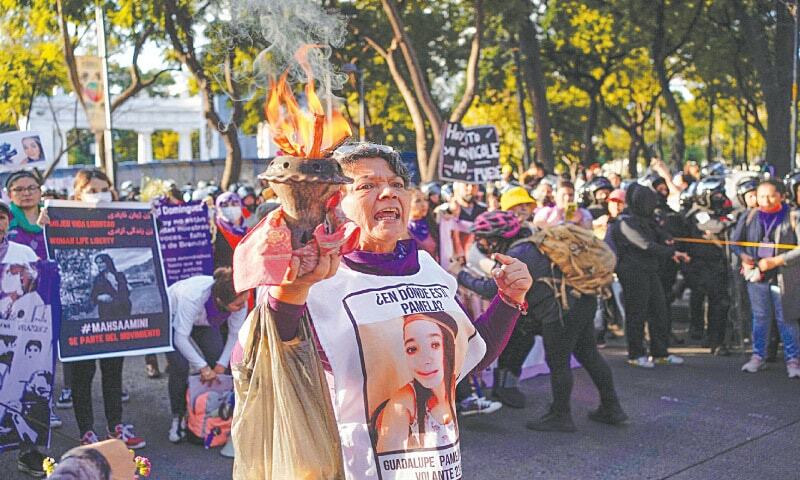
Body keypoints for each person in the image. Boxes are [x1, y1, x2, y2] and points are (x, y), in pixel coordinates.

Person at [232, 143, 531, 479]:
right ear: (334, 204)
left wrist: (508, 299)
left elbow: (470, 355)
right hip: (351, 469)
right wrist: (293, 289)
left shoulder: (427, 269)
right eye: (367, 185)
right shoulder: (313, 277)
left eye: (397, 184)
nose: (389, 192)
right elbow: (261, 357)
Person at [457, 210, 627, 430]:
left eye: (483, 238)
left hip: (561, 309)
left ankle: (561, 415)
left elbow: (492, 290)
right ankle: (612, 407)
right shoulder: (535, 239)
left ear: (498, 237)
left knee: (558, 361)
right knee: (589, 354)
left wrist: (461, 275)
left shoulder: (520, 253)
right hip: (583, 300)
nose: (481, 244)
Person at [56, 169, 145, 448]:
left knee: (113, 374)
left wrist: (150, 222)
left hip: (116, 322)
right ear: (78, 194)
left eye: (104, 189)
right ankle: (86, 431)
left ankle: (116, 426)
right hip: (89, 327)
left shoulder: (119, 269)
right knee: (82, 376)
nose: (99, 195)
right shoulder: (61, 224)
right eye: (92, 191)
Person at [166, 268, 248, 443]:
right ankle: (177, 416)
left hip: (204, 321)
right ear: (220, 301)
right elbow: (181, 337)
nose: (242, 307)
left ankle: (214, 416)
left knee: (219, 361)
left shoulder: (240, 298)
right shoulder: (194, 296)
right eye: (238, 305)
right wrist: (202, 367)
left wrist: (219, 365)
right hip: (173, 317)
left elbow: (235, 335)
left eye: (243, 303)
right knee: (180, 366)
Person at [612, 183, 688, 368]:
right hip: (632, 272)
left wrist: (667, 239)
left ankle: (660, 352)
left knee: (659, 310)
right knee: (637, 313)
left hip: (650, 270)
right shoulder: (624, 222)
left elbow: (658, 232)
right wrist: (671, 253)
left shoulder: (645, 219)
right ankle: (636, 354)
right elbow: (645, 244)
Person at [732, 179, 800, 378]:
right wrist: (743, 256)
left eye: (770, 195)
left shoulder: (793, 216)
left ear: (781, 195)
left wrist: (777, 260)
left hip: (783, 276)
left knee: (786, 319)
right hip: (757, 275)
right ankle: (757, 356)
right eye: (761, 196)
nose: (766, 200)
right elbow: (736, 243)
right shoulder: (750, 215)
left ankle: (792, 360)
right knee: (760, 318)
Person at [371, 312, 459, 452]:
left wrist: (506, 302)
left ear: (448, 347)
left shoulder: (454, 379)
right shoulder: (403, 402)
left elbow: (483, 343)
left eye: (435, 345)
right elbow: (389, 465)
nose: (425, 360)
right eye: (412, 349)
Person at [682, 176, 734, 355]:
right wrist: (729, 221)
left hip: (718, 265)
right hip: (701, 265)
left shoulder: (720, 211)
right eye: (717, 194)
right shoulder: (698, 213)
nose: (721, 197)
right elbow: (716, 226)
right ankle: (712, 339)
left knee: (718, 302)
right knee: (713, 301)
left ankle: (716, 339)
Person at [5, 171, 47, 259]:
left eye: (32, 188)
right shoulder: (4, 218)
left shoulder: (54, 215)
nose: (27, 193)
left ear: (40, 192)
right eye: (19, 189)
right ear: (9, 194)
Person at [213, 192, 248, 270]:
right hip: (225, 276)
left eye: (234, 204)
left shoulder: (249, 229)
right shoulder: (215, 231)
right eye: (225, 205)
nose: (230, 208)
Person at [90, 255, 131, 320]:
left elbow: (126, 292)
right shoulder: (97, 279)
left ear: (107, 262)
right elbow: (92, 295)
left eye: (101, 262)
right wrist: (99, 297)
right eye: (97, 263)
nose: (98, 265)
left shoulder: (120, 275)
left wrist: (117, 285)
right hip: (107, 312)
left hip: (123, 308)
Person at [407, 189, 437, 257]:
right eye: (418, 201)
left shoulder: (433, 224)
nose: (424, 204)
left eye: (425, 200)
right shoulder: (400, 230)